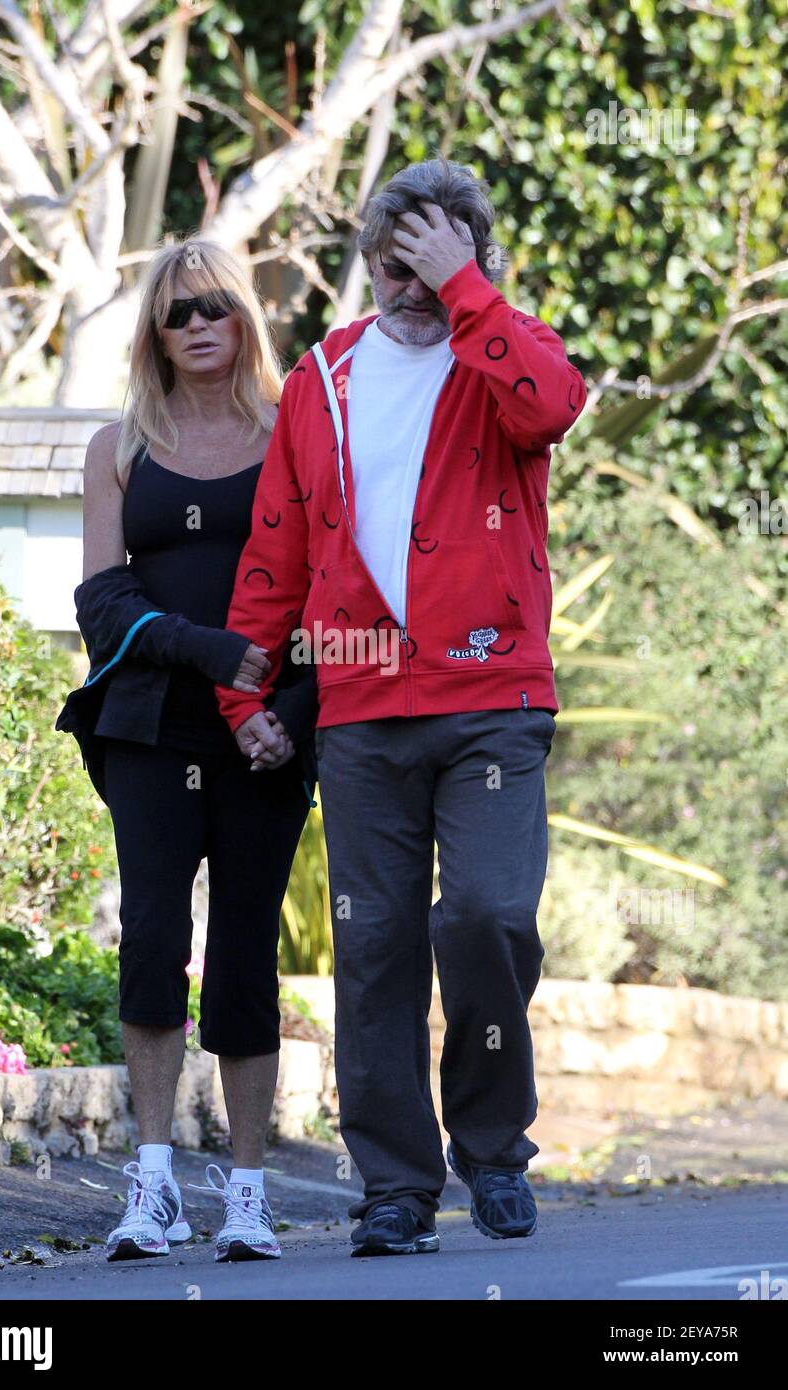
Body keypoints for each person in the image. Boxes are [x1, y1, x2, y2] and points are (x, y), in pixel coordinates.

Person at [215, 158, 587, 1256]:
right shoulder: (319, 378)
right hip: (358, 702)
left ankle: (489, 1141)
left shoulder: (505, 354)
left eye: (432, 256)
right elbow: (273, 556)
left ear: (469, 256)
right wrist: (244, 701)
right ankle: (394, 1183)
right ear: (370, 257)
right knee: (372, 946)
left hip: (490, 694)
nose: (409, 278)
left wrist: (468, 291)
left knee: (485, 914)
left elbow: (552, 408)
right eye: (395, 256)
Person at [57, 237, 318, 1263]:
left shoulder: (298, 436)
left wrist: (286, 710)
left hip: (264, 736)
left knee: (247, 953)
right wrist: (212, 653)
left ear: (245, 315)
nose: (200, 323)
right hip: (151, 726)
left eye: (216, 305)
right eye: (177, 312)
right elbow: (101, 597)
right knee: (153, 938)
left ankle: (246, 1193)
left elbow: (331, 591)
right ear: (154, 334)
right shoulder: (118, 446)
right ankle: (153, 1183)